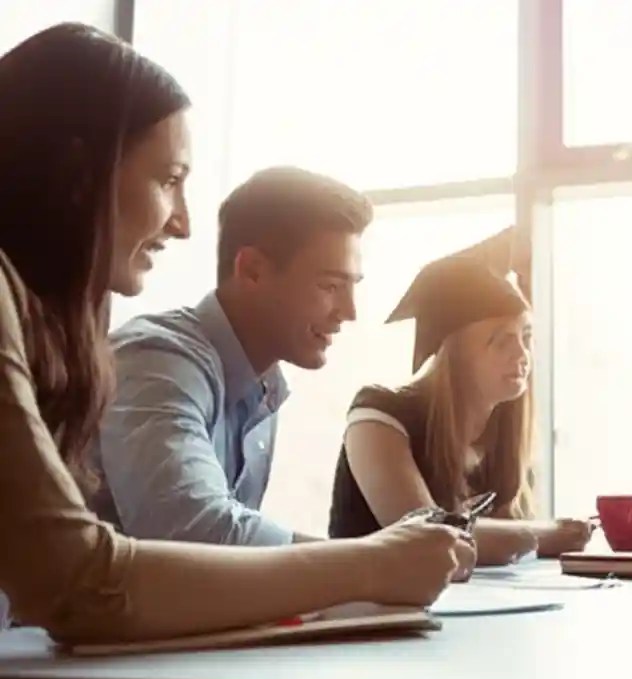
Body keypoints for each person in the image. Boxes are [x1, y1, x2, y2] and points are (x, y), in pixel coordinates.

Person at [0, 23, 468, 644]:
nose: (184, 223)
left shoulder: (253, 385)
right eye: (168, 180)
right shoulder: (157, 356)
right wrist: (372, 563)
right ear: (78, 175)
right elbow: (86, 579)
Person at [91, 167, 371, 544]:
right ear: (252, 271)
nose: (349, 311)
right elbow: (198, 532)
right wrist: (368, 562)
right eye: (330, 286)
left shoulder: (262, 385)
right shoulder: (156, 359)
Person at [329, 227, 593, 564]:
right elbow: (425, 535)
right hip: (369, 612)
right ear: (454, 354)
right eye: (500, 341)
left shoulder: (502, 435)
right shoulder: (377, 418)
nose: (522, 354)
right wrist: (540, 534)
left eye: (525, 336)